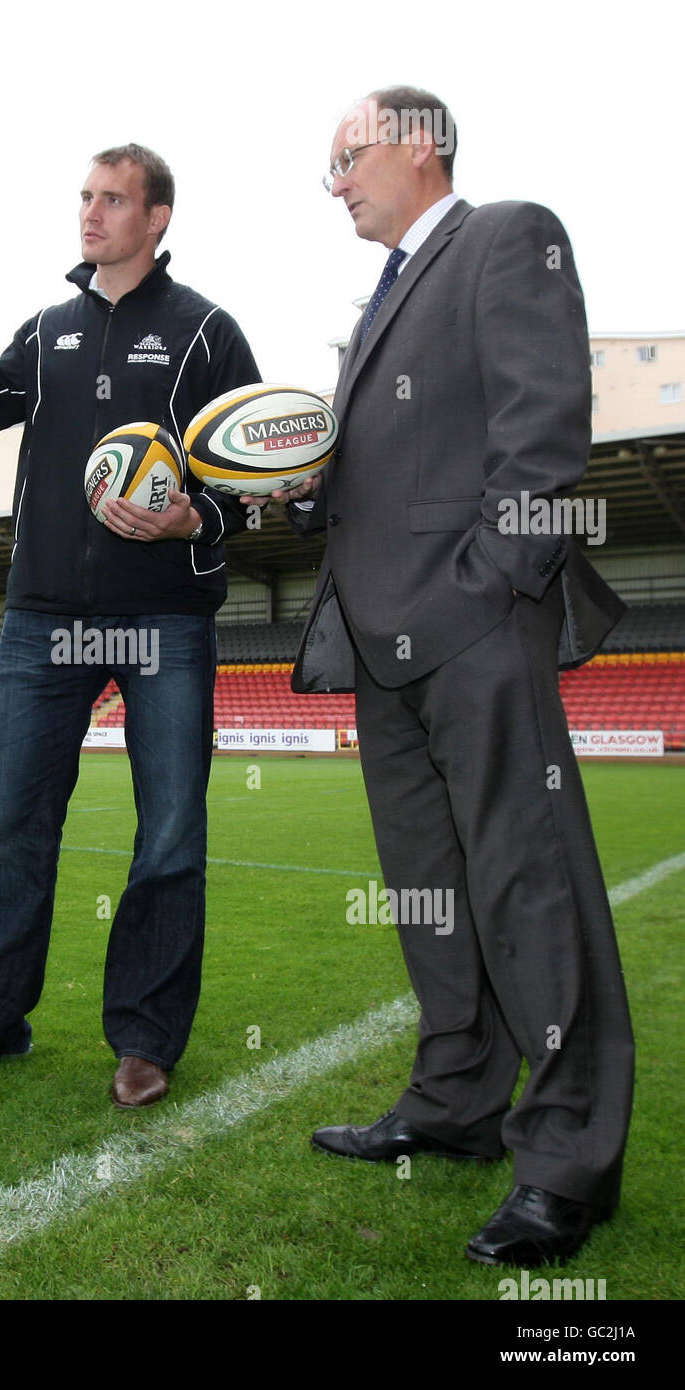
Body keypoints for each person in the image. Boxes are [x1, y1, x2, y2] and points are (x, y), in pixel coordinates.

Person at [285, 87, 633, 1266]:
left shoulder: (505, 234)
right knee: (428, 893)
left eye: (348, 154)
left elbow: (543, 436)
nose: (334, 180)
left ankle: (570, 1158)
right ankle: (455, 1103)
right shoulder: (376, 300)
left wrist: (482, 591)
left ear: (420, 144)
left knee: (528, 885)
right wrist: (298, 492)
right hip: (383, 649)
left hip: (474, 625)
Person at [0, 144, 260, 1107]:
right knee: (12, 825)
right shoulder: (46, 328)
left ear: (157, 216)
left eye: (114, 199)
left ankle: (144, 1038)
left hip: (164, 616)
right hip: (44, 618)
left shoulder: (207, 331)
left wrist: (193, 518)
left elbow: (251, 479)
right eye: (85, 197)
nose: (91, 214)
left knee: (169, 833)